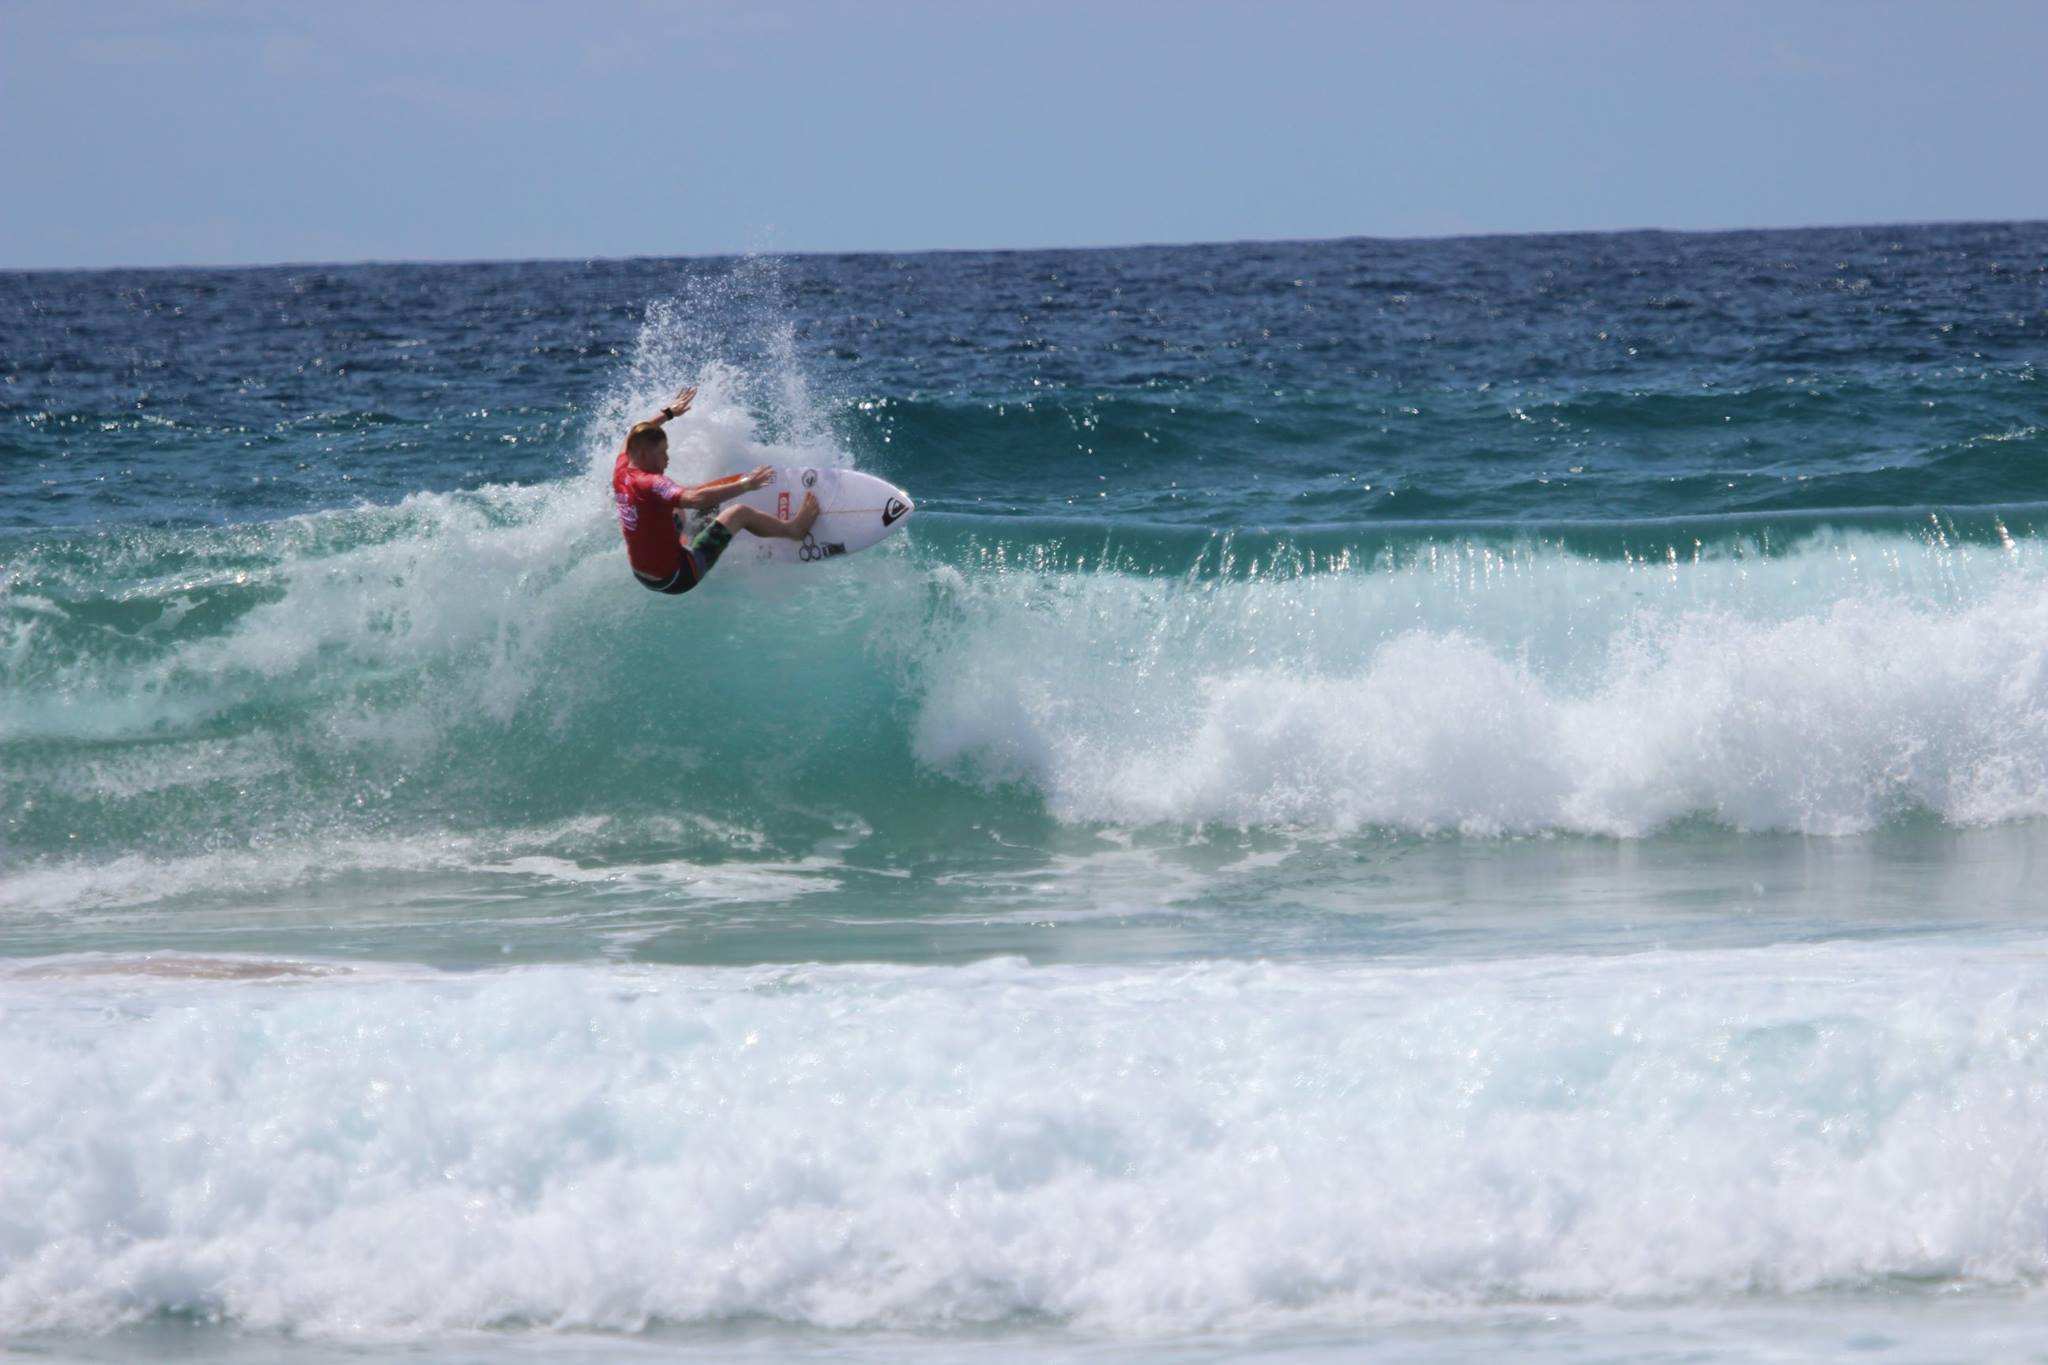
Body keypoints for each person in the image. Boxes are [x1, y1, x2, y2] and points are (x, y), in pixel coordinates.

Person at [611, 385, 819, 595]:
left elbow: (631, 436)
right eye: (662, 453)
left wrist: (668, 413)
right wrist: (747, 484)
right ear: (644, 454)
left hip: (642, 574)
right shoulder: (652, 483)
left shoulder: (622, 468)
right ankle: (793, 530)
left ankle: (692, 532)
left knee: (675, 505)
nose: (667, 458)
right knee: (738, 513)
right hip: (679, 576)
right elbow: (696, 499)